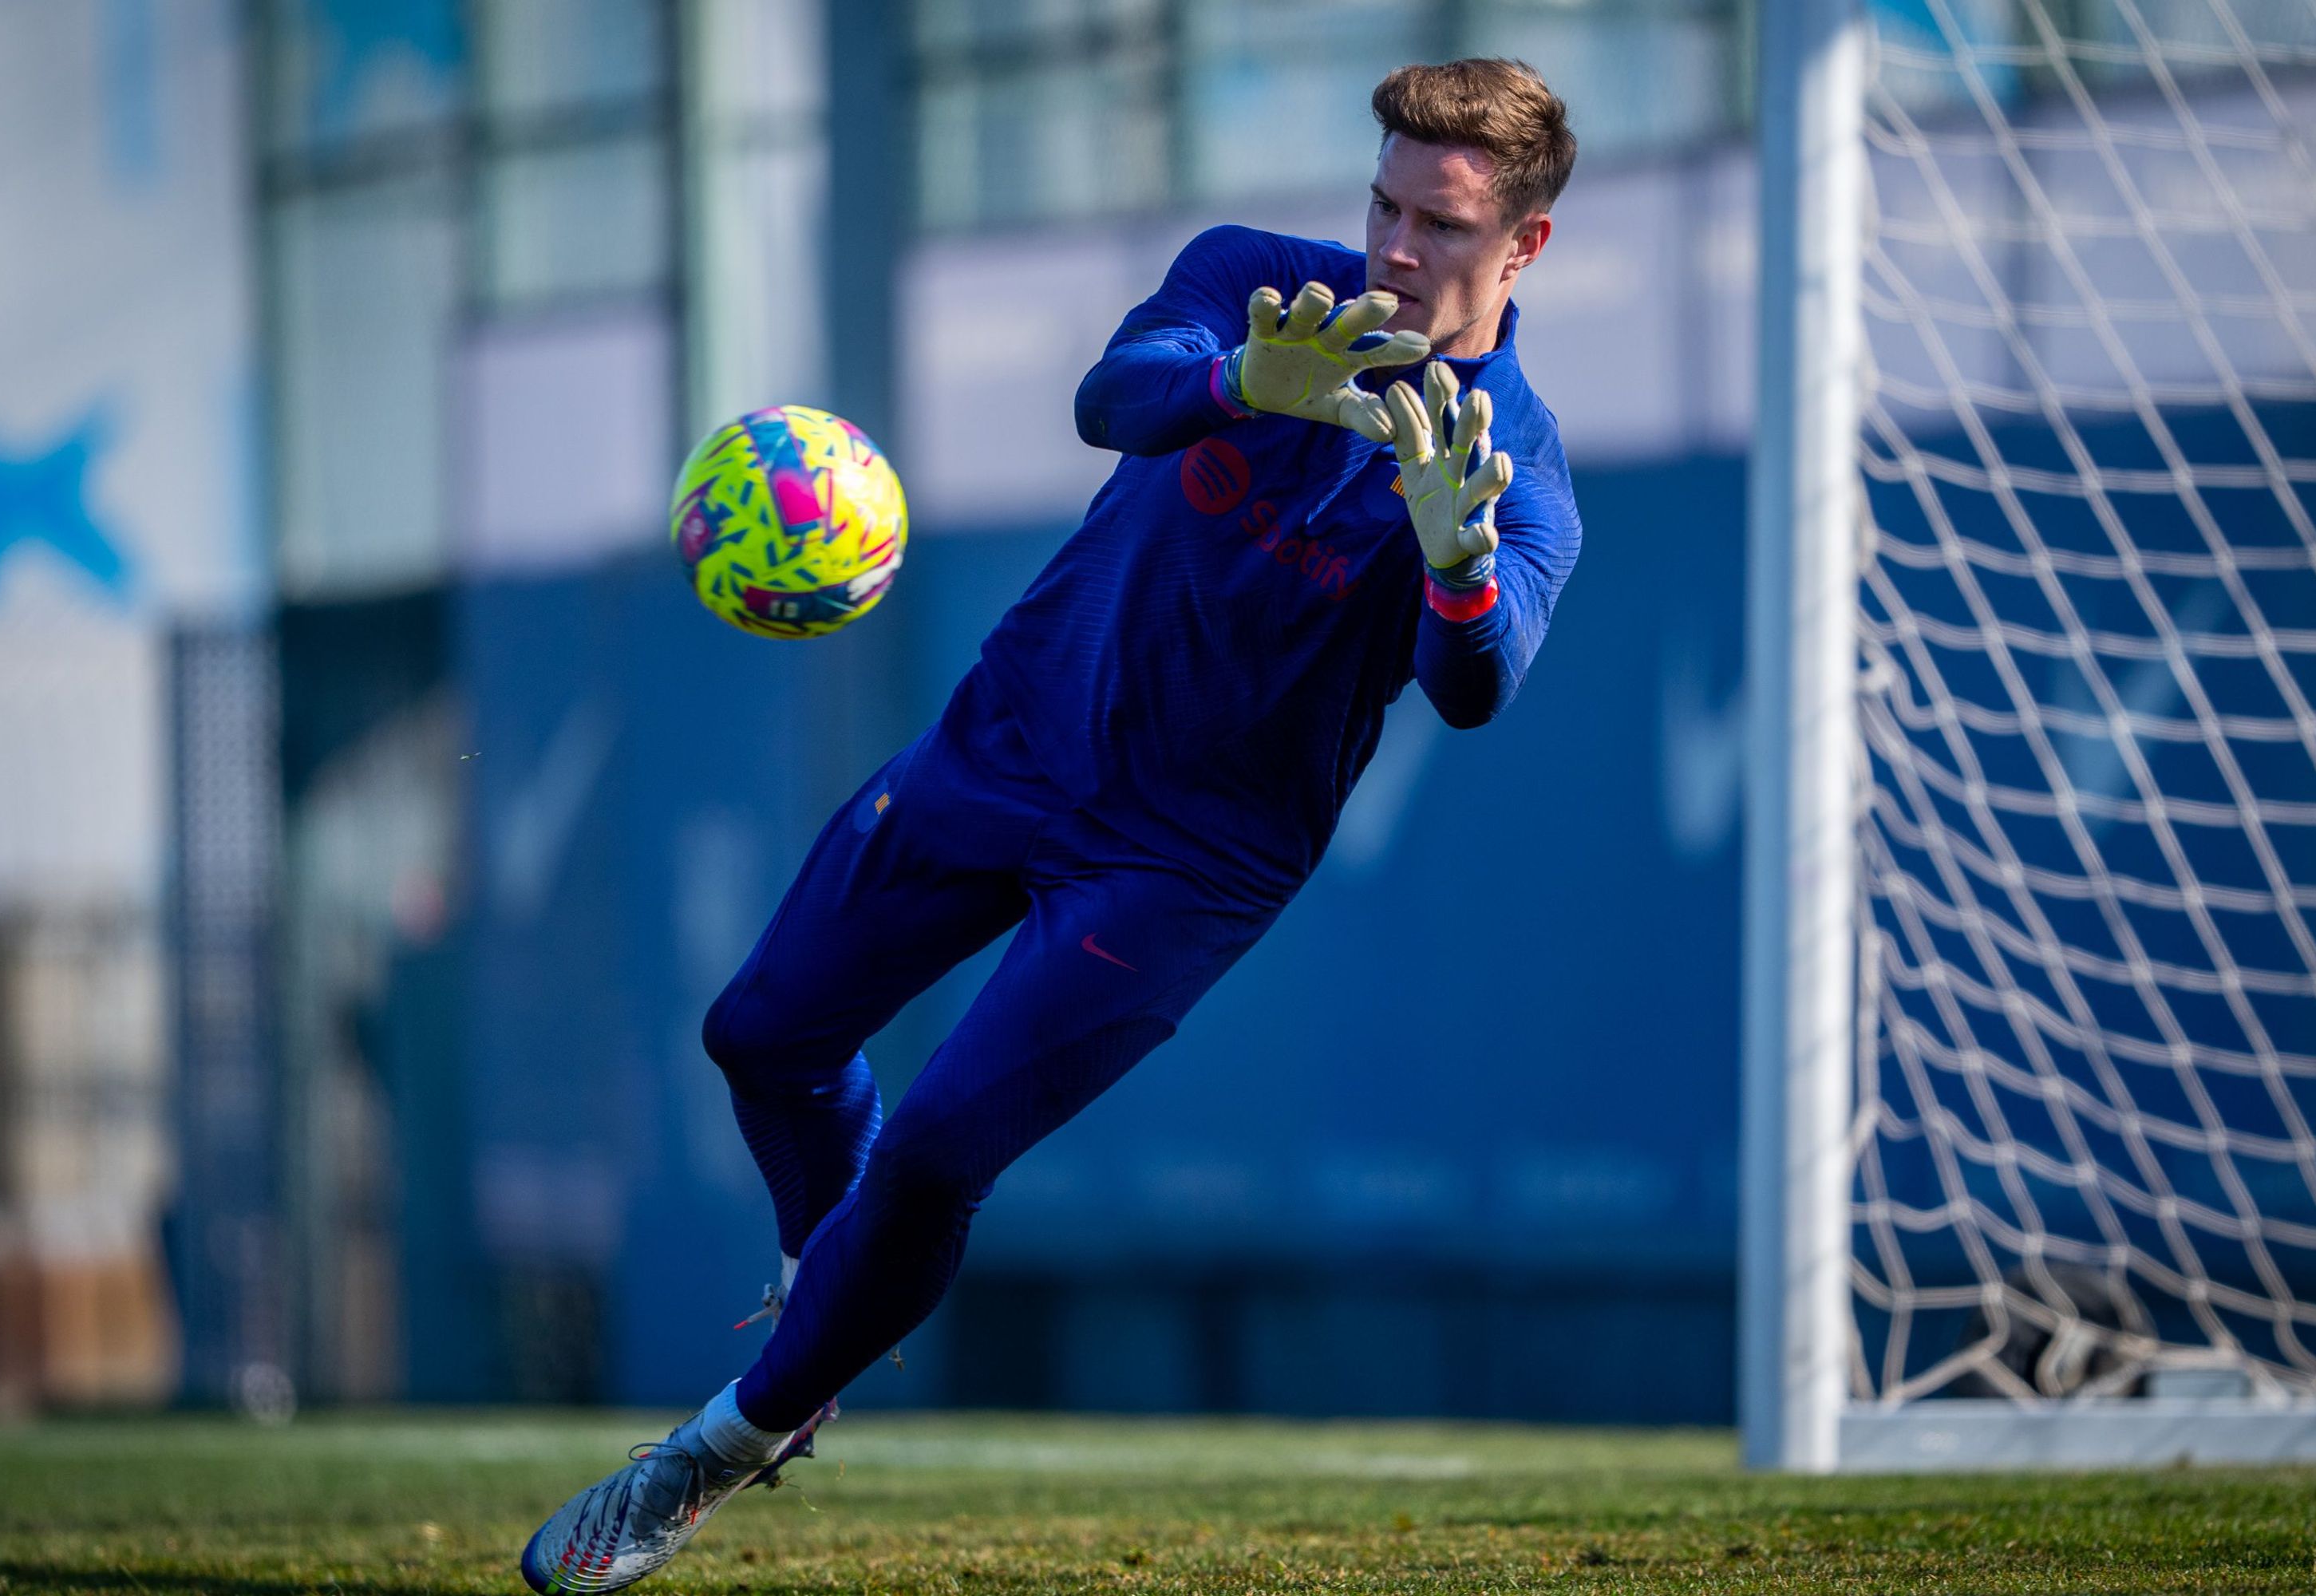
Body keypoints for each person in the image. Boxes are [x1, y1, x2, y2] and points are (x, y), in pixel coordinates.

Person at [522, 55, 1585, 1595]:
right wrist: (1241, 384)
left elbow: (1473, 688)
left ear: (1525, 246)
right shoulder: (1260, 287)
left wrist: (1456, 567)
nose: (1397, 249)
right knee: (759, 1036)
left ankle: (717, 1449)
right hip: (1014, 741)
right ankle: (827, 1303)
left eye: (1443, 224)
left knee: (936, 1152)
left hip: (1183, 869)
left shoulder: (1517, 467)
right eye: (1384, 206)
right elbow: (1111, 400)